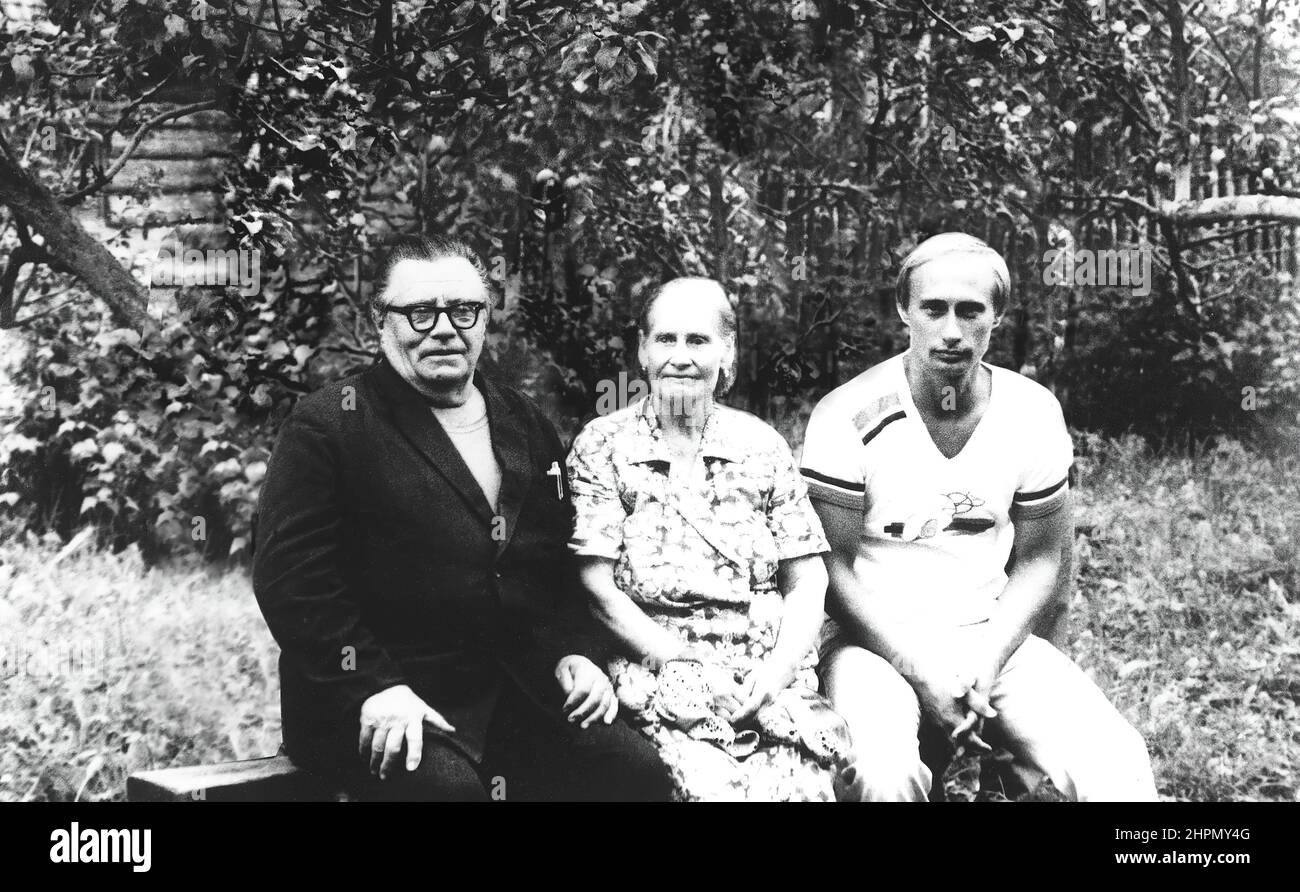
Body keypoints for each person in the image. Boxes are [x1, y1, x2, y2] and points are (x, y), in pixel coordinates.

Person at [252, 234, 672, 801]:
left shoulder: (524, 422)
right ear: (382, 323)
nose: (444, 329)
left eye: (464, 311)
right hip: (379, 703)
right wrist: (374, 688)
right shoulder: (329, 425)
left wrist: (575, 652)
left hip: (514, 691)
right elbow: (294, 584)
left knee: (632, 772)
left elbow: (554, 567)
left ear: (484, 319)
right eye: (420, 313)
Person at [799, 232, 1158, 802]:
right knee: (882, 774)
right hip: (869, 640)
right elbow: (830, 572)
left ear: (998, 315)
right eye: (933, 309)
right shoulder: (848, 414)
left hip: (985, 630)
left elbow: (1041, 559)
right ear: (904, 311)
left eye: (971, 311)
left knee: (1115, 764)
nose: (950, 331)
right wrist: (915, 668)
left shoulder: (1031, 412)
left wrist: (988, 660)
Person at [566, 277, 851, 801]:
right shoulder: (603, 445)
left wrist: (777, 671)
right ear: (642, 352)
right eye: (665, 340)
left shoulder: (760, 445)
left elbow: (808, 578)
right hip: (661, 672)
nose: (681, 357)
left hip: (764, 674)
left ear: (728, 352)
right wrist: (687, 667)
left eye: (698, 341)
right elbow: (597, 590)